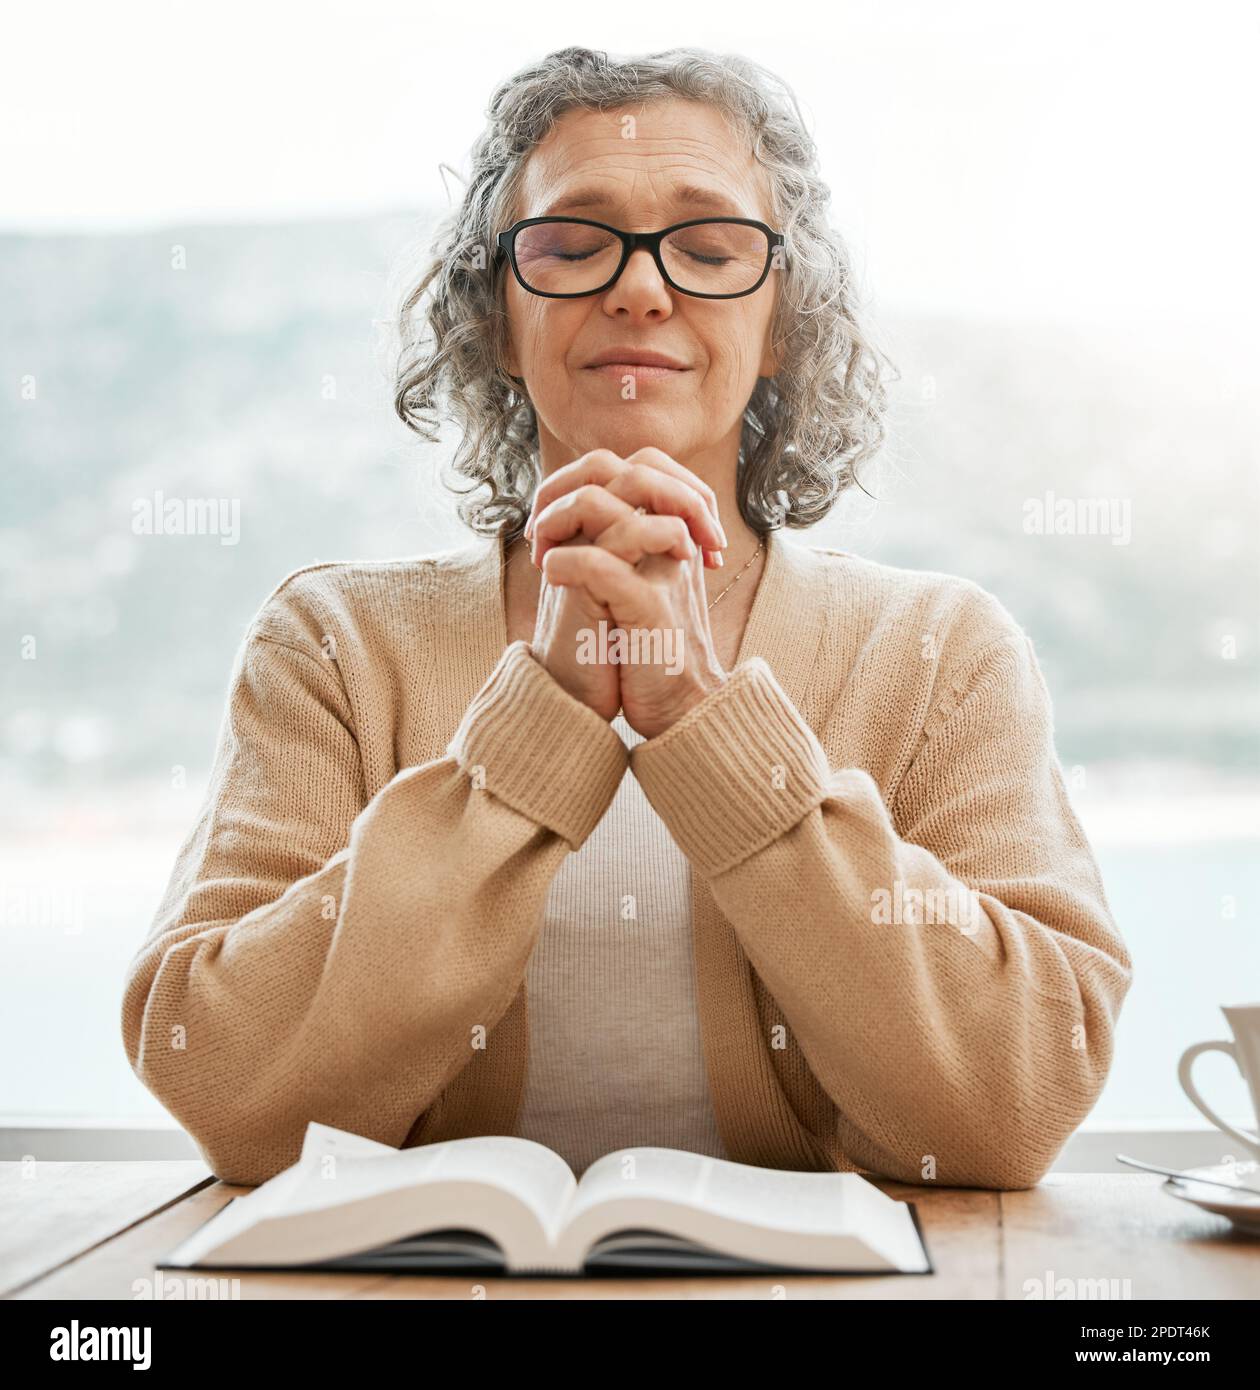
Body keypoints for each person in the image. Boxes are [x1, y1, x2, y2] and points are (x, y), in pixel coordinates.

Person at [121, 45, 1132, 1189]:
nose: (641, 289)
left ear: (784, 322)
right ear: (497, 320)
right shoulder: (332, 645)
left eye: (709, 248)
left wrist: (706, 721)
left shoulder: (944, 653)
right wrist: (534, 732)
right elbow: (228, 1087)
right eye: (570, 245)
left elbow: (1014, 1103)